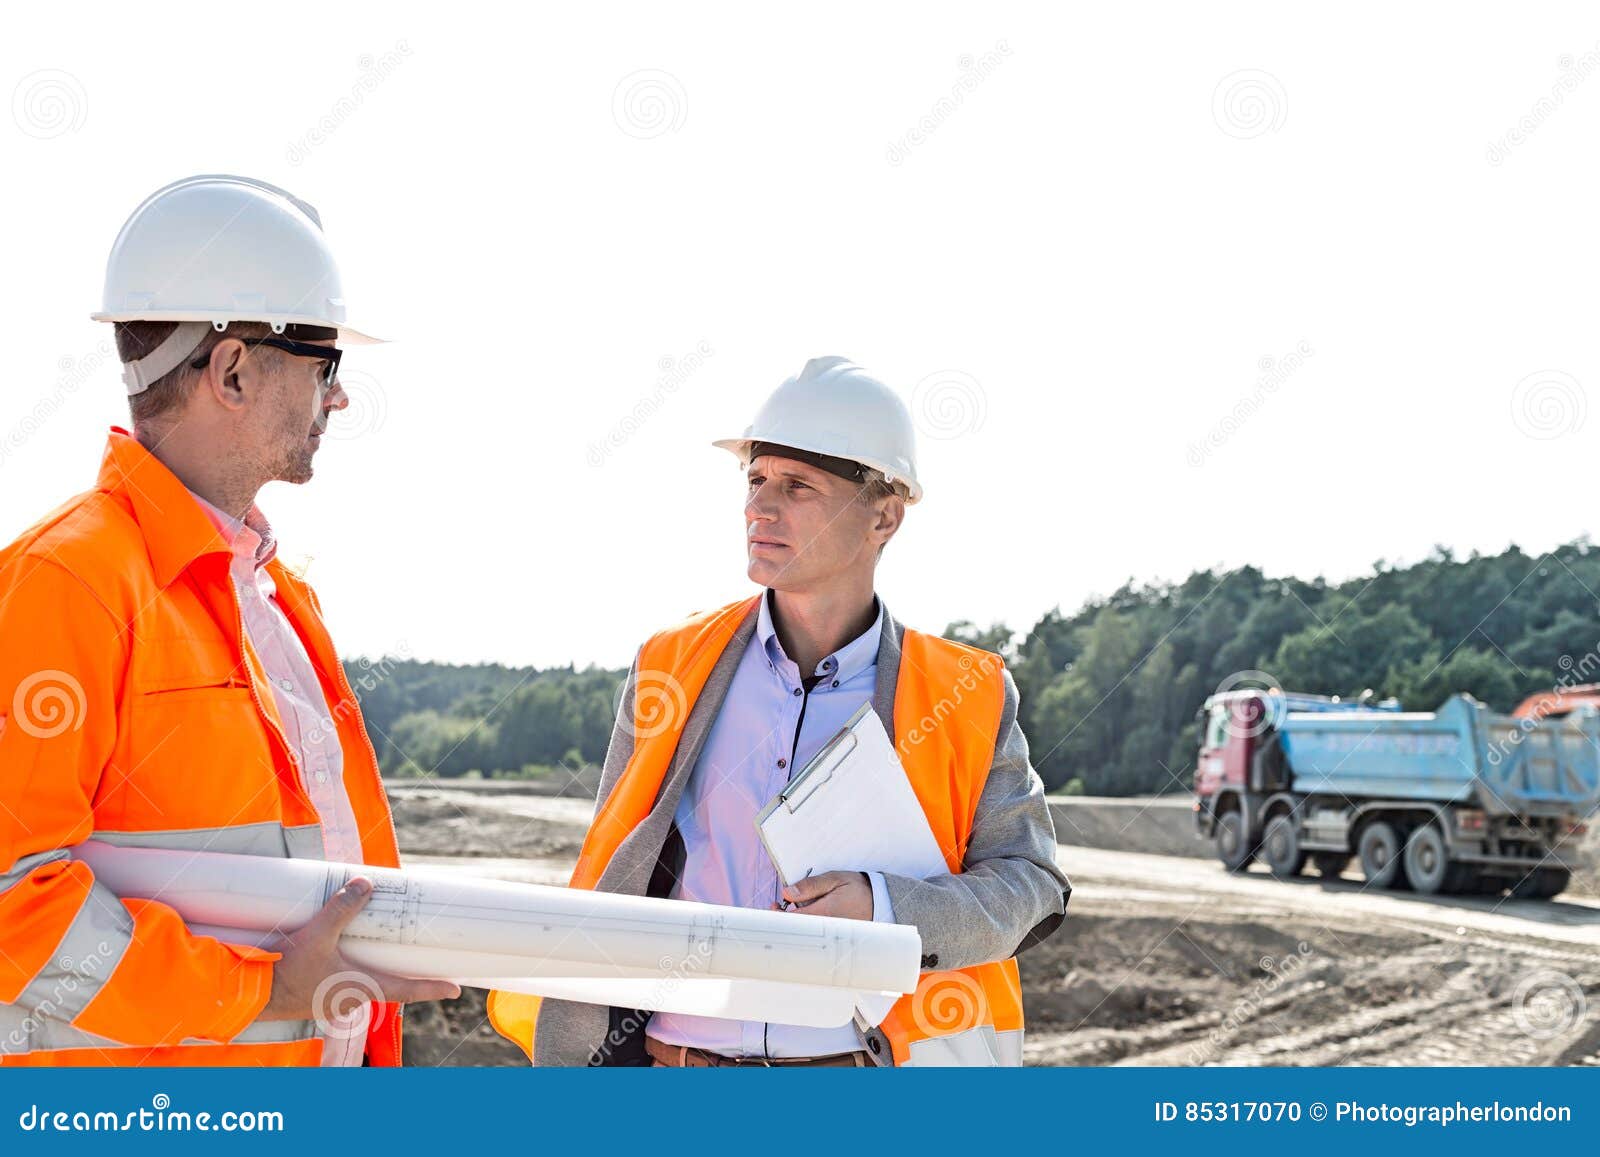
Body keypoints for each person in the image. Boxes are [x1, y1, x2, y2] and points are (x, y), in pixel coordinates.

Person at [489, 355, 1070, 1066]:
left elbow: (1030, 882)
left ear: (883, 514)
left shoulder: (966, 692)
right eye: (756, 479)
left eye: (798, 487)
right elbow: (619, 865)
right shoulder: (670, 666)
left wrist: (884, 908)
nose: (760, 507)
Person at [0, 174, 457, 1067]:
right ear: (235, 370)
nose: (339, 398)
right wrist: (263, 991)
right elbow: (11, 894)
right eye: (325, 366)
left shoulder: (278, 599)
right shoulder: (67, 581)